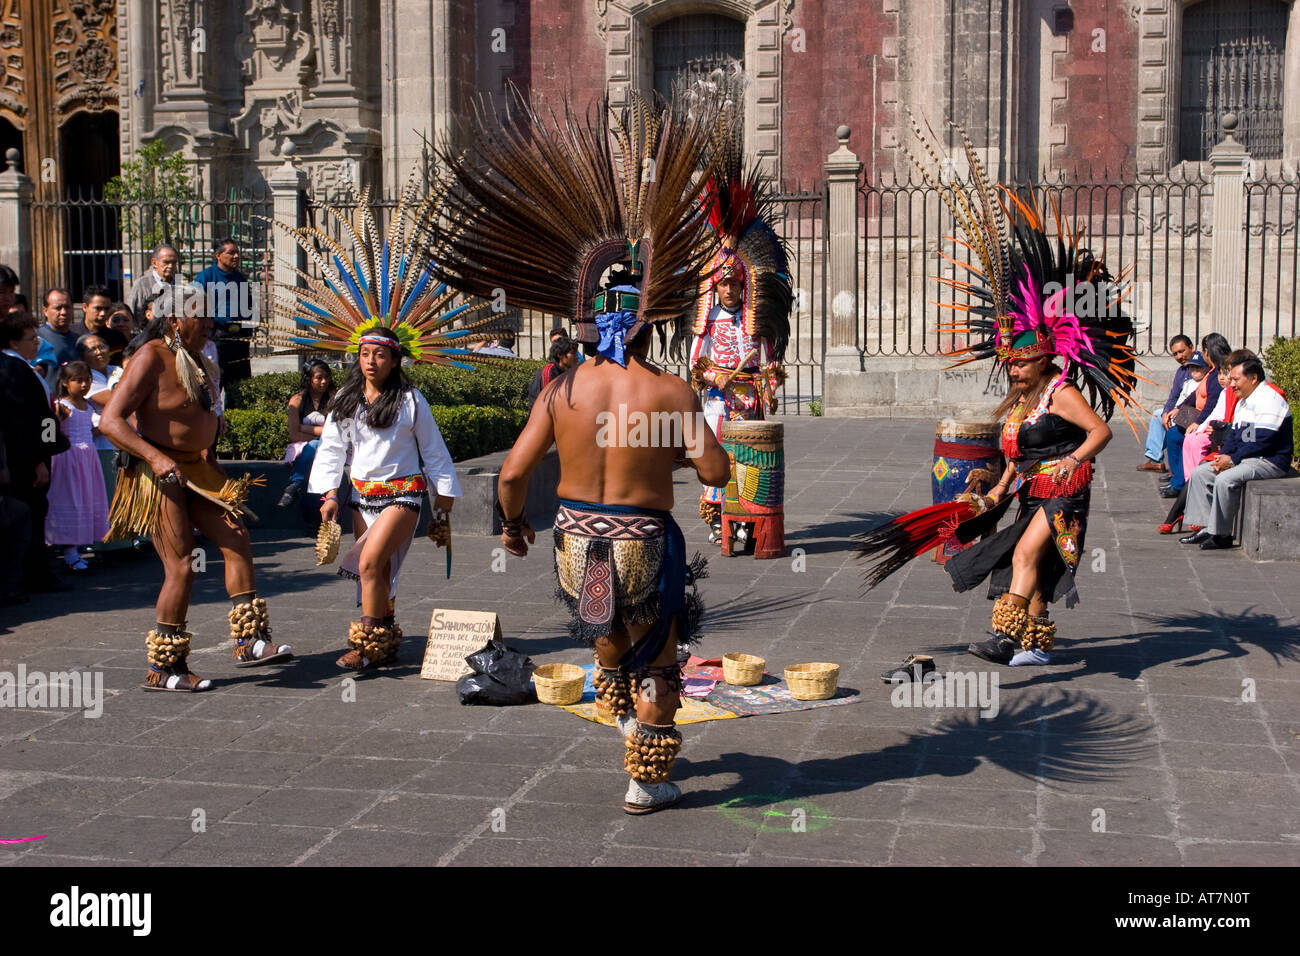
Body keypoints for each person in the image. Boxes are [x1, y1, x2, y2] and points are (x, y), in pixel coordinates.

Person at [425, 88, 731, 814]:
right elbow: (717, 470)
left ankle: (620, 713)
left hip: (575, 540)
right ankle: (646, 778)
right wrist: (667, 452)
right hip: (642, 540)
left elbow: (511, 473)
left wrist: (511, 526)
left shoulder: (560, 389)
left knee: (603, 625)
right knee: (659, 652)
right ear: (652, 321)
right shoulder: (671, 393)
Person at [856, 142, 1141, 670]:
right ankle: (1033, 644)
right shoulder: (1020, 404)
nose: (1014, 370)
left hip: (1066, 490)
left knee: (1027, 554)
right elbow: (1013, 463)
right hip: (1031, 491)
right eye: (1011, 363)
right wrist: (993, 495)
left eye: (1023, 364)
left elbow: (1101, 433)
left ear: (1044, 361)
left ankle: (1004, 636)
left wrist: (1070, 462)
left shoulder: (1063, 392)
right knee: (1039, 564)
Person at [276, 174, 514, 669]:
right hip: (361, 494)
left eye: (379, 355)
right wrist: (326, 495)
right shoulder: (344, 400)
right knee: (376, 571)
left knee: (366, 562)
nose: (370, 361)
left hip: (403, 496)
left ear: (395, 360)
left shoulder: (411, 401)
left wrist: (443, 502)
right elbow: (336, 450)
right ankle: (383, 644)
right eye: (364, 354)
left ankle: (364, 648)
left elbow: (434, 452)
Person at [98, 288, 293, 691]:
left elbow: (204, 422)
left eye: (210, 318)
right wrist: (155, 458)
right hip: (158, 474)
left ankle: (249, 640)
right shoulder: (150, 356)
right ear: (173, 321)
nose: (209, 324)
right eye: (200, 317)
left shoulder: (202, 362)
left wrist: (214, 467)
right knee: (182, 566)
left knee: (236, 538)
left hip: (200, 472)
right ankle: (165, 666)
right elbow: (111, 421)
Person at [688, 113, 792, 545]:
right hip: (717, 401)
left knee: (748, 461)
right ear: (715, 283)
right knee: (717, 462)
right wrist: (716, 377)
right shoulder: (706, 318)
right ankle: (718, 520)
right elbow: (695, 363)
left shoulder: (754, 321)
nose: (730, 288)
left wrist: (768, 381)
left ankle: (748, 520)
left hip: (748, 403)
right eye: (724, 282)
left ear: (745, 282)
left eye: (735, 282)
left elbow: (769, 363)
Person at [1181, 356, 1293, 551]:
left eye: (1236, 379)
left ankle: (1221, 534)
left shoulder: (1270, 399)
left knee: (1225, 479)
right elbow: (1235, 435)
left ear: (1253, 378)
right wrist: (1222, 456)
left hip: (1269, 461)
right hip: (1249, 457)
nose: (1231, 384)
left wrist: (1232, 460)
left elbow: (1262, 441)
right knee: (1201, 473)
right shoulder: (1245, 401)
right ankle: (1206, 527)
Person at [0, 305, 72, 595]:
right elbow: (26, 420)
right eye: (31, 338)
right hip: (25, 461)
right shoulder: (12, 369)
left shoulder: (21, 367)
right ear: (14, 342)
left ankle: (34, 575)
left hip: (32, 455)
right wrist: (40, 460)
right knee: (30, 515)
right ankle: (31, 577)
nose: (37, 342)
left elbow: (41, 414)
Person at [45, 362, 108, 572]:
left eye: (87, 380)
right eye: (78, 380)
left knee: (85, 501)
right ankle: (69, 553)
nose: (84, 384)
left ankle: (77, 548)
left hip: (87, 459)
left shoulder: (88, 405)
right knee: (71, 502)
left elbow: (89, 429)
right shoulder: (63, 405)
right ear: (65, 382)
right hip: (68, 459)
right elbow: (51, 431)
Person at [1160, 334, 1230, 499]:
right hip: (1197, 415)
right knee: (1173, 433)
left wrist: (1198, 423)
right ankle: (1178, 478)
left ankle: (1185, 484)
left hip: (1207, 420)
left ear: (1208, 352)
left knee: (1185, 437)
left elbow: (1212, 404)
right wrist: (1178, 409)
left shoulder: (1218, 373)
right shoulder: (1212, 372)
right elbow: (1194, 394)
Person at [193, 237, 254, 387]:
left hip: (238, 339)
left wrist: (247, 330)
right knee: (214, 381)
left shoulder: (240, 278)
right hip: (216, 338)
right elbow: (196, 307)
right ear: (218, 255)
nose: (236, 256)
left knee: (239, 384)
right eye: (231, 253)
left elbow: (249, 305)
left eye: (237, 252)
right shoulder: (206, 277)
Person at [277, 359, 335, 510]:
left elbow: (333, 431)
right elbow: (294, 435)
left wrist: (305, 428)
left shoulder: (333, 399)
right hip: (302, 449)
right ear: (309, 379)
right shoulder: (296, 401)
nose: (324, 382)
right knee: (314, 445)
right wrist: (319, 434)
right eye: (319, 378)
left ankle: (294, 484)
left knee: (315, 445)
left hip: (330, 446)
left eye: (327, 377)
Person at [1137, 333, 1193, 472]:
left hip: (1193, 411)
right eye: (1175, 354)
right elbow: (1173, 395)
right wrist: (1166, 411)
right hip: (1179, 409)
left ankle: (1175, 469)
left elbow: (1195, 395)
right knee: (1158, 415)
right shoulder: (1181, 371)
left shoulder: (1199, 368)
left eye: (1182, 351)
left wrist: (1179, 409)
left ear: (1191, 348)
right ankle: (1155, 459)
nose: (1180, 356)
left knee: (1172, 426)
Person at [37, 289, 81, 386]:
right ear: (45, 311)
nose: (63, 312)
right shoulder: (36, 339)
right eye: (58, 308)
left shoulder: (79, 340)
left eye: (67, 307)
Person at [126, 244, 183, 317]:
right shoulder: (142, 285)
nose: (170, 266)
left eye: (174, 262)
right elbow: (130, 313)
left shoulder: (180, 284)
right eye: (166, 262)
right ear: (154, 263)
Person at [527, 335, 577, 409]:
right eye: (573, 353)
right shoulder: (549, 372)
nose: (576, 357)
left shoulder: (568, 372)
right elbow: (547, 402)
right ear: (560, 355)